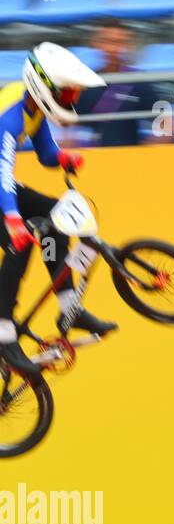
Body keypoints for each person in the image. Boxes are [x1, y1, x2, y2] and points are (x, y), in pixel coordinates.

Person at [0, 43, 117, 375]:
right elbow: (3, 177)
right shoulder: (8, 119)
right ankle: (4, 330)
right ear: (43, 86)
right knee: (19, 242)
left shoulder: (31, 106)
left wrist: (62, 158)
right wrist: (12, 219)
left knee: (55, 216)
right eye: (67, 94)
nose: (72, 100)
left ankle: (69, 307)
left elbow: (45, 152)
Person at [74, 20, 170, 147]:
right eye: (107, 41)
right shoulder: (85, 82)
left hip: (128, 160)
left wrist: (147, 153)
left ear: (128, 46)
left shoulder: (138, 82)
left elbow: (169, 123)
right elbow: (69, 125)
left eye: (119, 42)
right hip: (94, 160)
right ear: (96, 44)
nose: (112, 48)